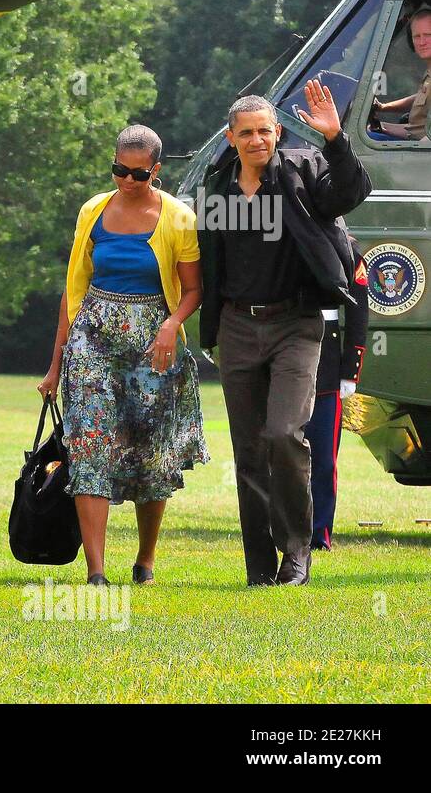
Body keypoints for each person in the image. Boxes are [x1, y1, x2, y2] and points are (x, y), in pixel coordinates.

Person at [198, 83, 373, 586]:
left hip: (296, 324)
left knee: (283, 435)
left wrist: (335, 138)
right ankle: (259, 565)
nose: (257, 140)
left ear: (278, 132)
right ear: (231, 138)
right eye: (246, 133)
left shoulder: (302, 170)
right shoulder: (218, 187)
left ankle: (297, 553)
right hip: (236, 325)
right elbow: (211, 257)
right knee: (249, 448)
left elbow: (349, 193)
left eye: (265, 131)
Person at [37, 125, 209, 586]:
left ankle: (145, 560)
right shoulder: (93, 210)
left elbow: (193, 289)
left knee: (150, 453)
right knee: (90, 446)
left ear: (156, 169)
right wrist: (55, 365)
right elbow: (72, 291)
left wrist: (173, 325)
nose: (128, 181)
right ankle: (96, 570)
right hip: (92, 339)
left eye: (138, 173)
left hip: (154, 341)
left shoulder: (178, 217)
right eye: (119, 170)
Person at [305, 236, 369, 551]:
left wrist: (349, 370)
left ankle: (319, 532)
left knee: (324, 458)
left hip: (326, 362)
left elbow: (358, 313)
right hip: (286, 343)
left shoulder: (348, 248)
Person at [371, 8, 430, 142]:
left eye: (428, 35)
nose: (422, 42)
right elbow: (422, 98)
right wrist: (383, 108)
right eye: (417, 36)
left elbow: (423, 140)